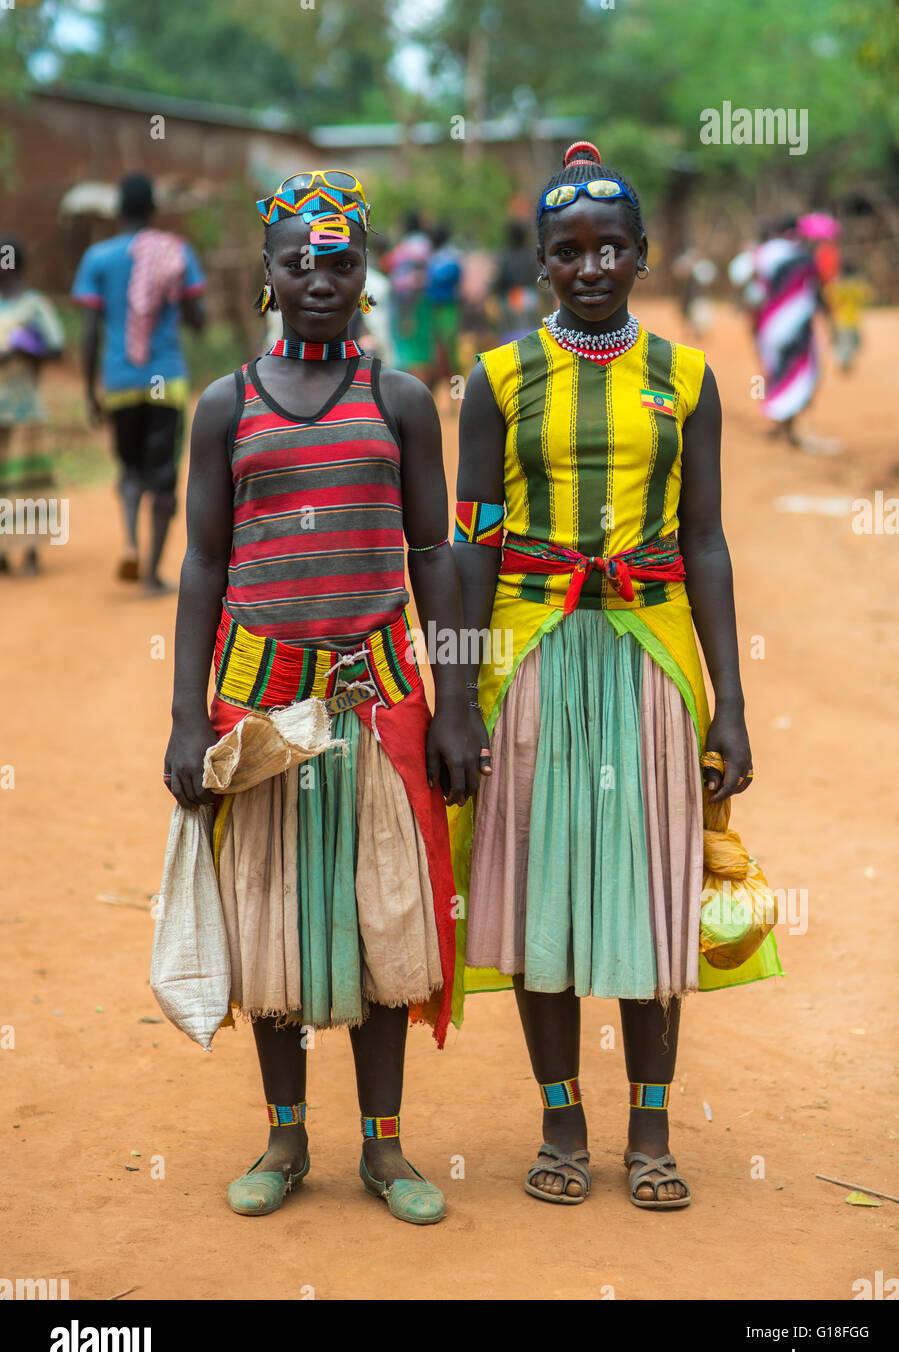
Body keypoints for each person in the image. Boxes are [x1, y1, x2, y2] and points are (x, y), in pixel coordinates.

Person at [451, 141, 782, 1211]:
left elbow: (708, 542)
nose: (589, 267)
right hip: (531, 653)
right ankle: (560, 1117)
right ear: (541, 262)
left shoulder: (685, 379)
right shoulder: (498, 381)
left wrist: (729, 698)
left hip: (650, 652)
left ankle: (649, 1126)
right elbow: (467, 544)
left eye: (609, 248)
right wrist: (455, 693)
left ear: (642, 254)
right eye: (567, 251)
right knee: (542, 880)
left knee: (650, 894)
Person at [163, 169, 481, 1223]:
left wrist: (457, 701)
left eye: (339, 262)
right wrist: (181, 718)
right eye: (299, 261)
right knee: (275, 927)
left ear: (365, 277)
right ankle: (286, 1135)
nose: (318, 279)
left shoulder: (395, 401)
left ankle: (385, 1149)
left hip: (376, 701)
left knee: (381, 921)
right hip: (262, 713)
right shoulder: (226, 406)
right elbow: (203, 566)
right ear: (266, 275)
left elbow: (432, 551)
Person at [71, 172, 206, 591]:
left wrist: (89, 389)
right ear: (153, 210)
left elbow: (90, 332)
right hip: (165, 380)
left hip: (121, 380)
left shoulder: (97, 258)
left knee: (130, 469)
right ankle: (150, 574)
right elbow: (198, 320)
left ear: (117, 211)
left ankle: (130, 542)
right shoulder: (175, 252)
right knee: (163, 475)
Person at [727, 213, 823, 447]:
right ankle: (789, 427)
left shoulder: (761, 254)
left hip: (767, 325)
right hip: (799, 325)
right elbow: (816, 291)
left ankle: (780, 424)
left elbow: (740, 279)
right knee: (797, 371)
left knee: (774, 369)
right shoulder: (804, 256)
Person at [0, 235, 65, 575]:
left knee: (27, 482)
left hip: (25, 409)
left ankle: (29, 551)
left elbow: (56, 347)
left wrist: (26, 350)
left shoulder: (34, 305)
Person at [382, 212, 433, 380]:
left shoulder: (410, 244)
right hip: (413, 299)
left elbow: (389, 263)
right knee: (413, 347)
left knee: (411, 347)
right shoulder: (422, 243)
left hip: (410, 300)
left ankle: (413, 383)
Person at [426, 222, 463, 394]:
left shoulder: (444, 258)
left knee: (449, 352)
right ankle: (448, 397)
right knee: (441, 353)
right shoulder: (438, 257)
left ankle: (457, 395)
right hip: (439, 308)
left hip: (446, 308)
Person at [825, 262, 871, 372]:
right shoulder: (858, 285)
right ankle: (845, 363)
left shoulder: (839, 285)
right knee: (852, 343)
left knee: (844, 343)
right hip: (854, 319)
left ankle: (844, 363)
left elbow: (830, 297)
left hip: (841, 319)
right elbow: (866, 296)